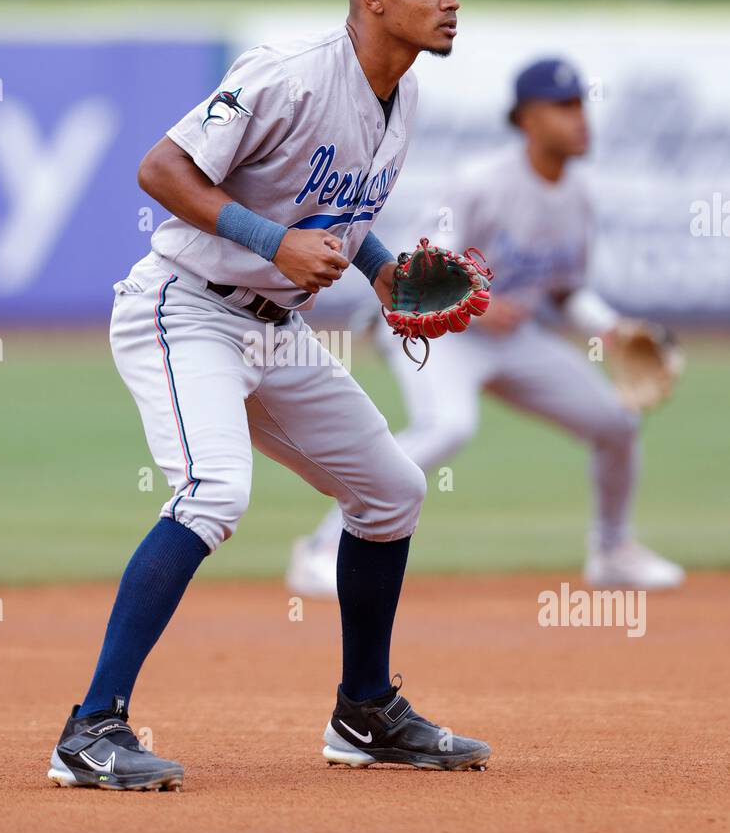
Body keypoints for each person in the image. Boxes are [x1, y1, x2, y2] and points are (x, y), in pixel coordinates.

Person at [47, 0, 496, 791]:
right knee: (214, 491)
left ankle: (365, 712)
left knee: (391, 490)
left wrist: (379, 271)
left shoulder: (402, 94)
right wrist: (272, 242)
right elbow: (161, 170)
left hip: (274, 329)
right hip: (186, 308)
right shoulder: (288, 76)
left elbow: (336, 215)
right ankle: (91, 729)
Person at [287, 57, 685, 598]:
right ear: (526, 118)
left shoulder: (576, 198)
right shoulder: (482, 183)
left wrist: (610, 327)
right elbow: (422, 261)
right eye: (564, 107)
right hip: (440, 332)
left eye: (580, 106)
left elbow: (566, 290)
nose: (579, 120)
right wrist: (476, 296)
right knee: (448, 427)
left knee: (617, 423)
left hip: (509, 341)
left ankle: (613, 551)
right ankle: (320, 548)